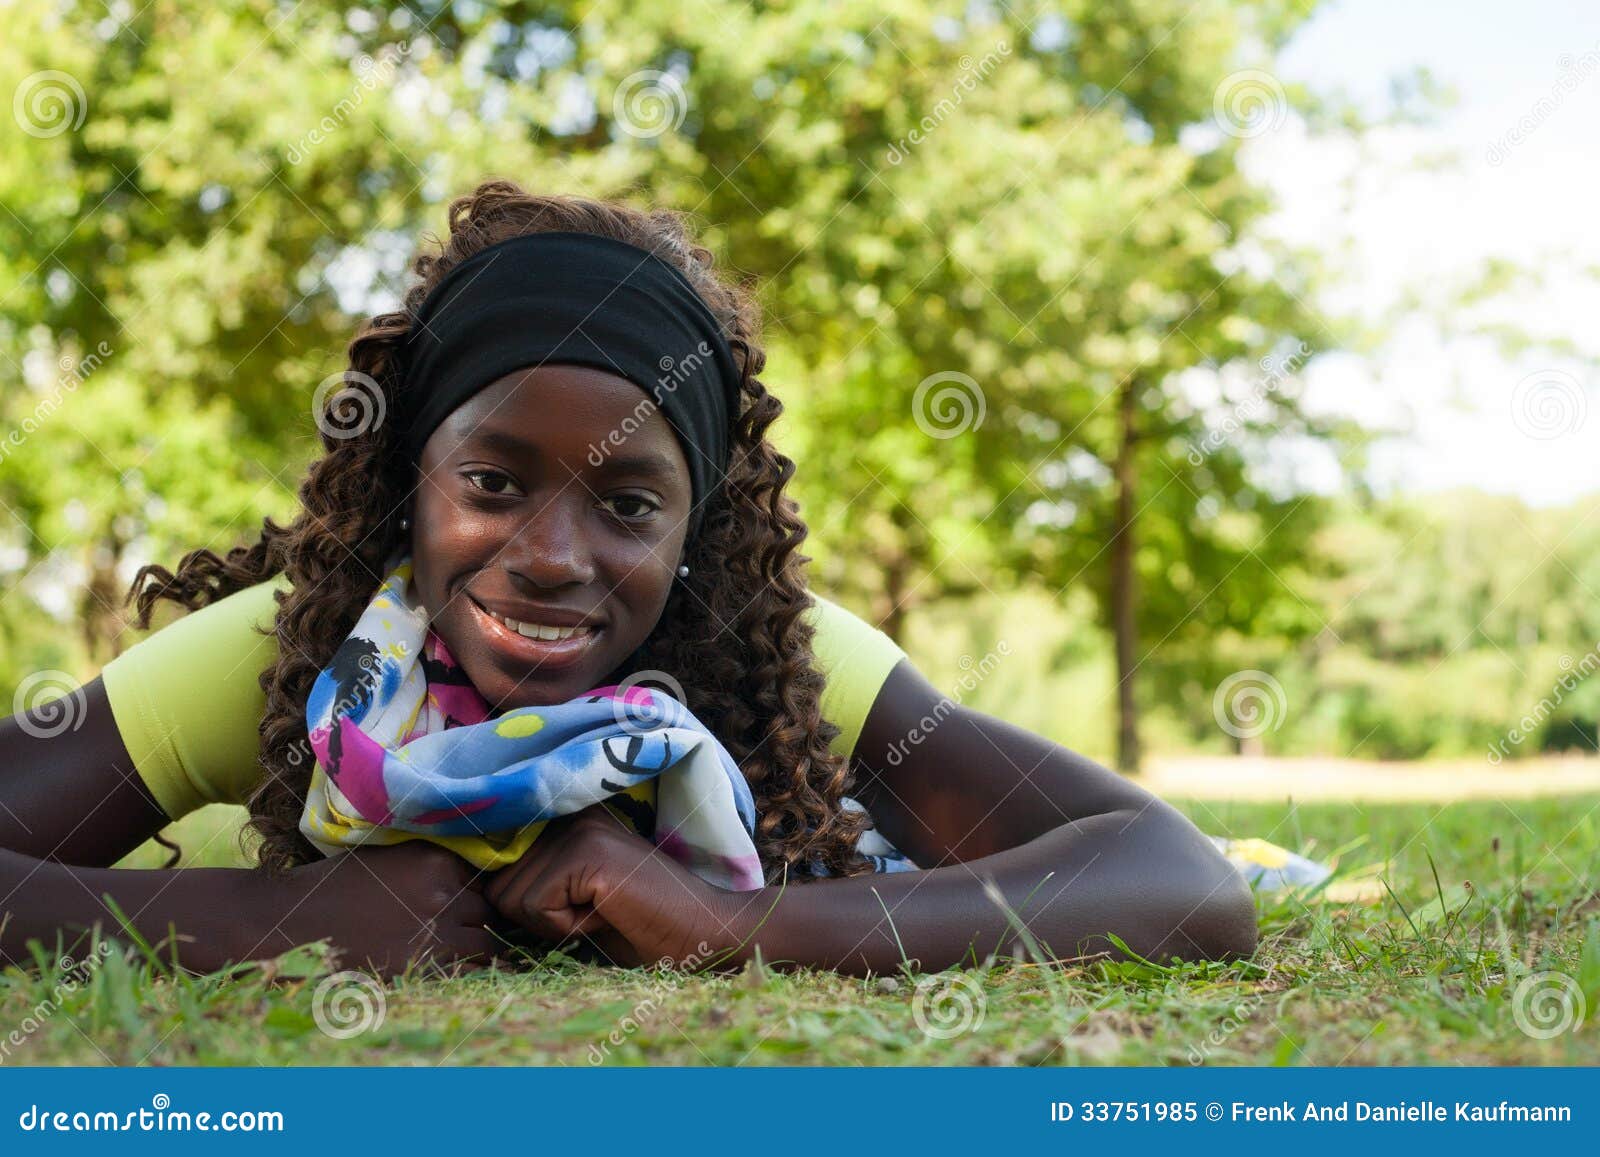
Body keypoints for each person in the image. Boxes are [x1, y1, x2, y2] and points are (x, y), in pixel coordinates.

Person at [0, 179, 1256, 978]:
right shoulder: (305, 657)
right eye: (491, 482)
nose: (551, 557)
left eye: (628, 502)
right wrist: (261, 922)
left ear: (697, 523)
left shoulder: (785, 661)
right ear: (406, 483)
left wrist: (730, 926)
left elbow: (1179, 877)